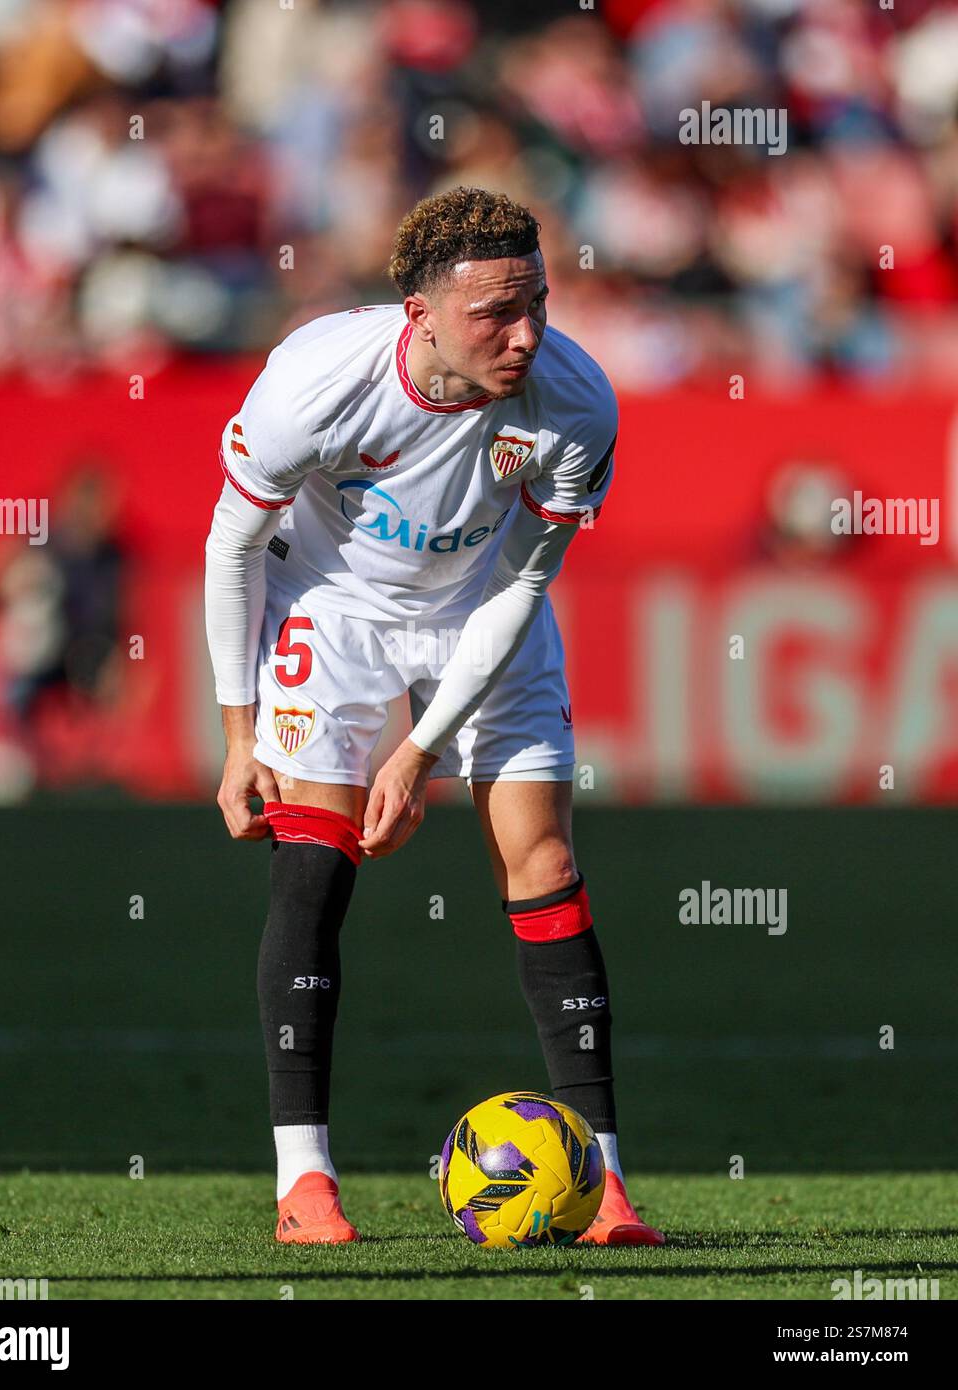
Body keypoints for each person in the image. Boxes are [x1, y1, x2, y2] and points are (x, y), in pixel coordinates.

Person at [204, 186, 664, 1247]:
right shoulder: (316, 383)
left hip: (480, 615)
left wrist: (413, 751)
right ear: (418, 315)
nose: (527, 334)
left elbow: (518, 587)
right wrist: (238, 734)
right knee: (314, 861)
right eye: (495, 314)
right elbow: (232, 546)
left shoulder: (574, 404)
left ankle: (606, 1186)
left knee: (540, 860)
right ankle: (303, 1181)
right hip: (334, 602)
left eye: (538, 303)